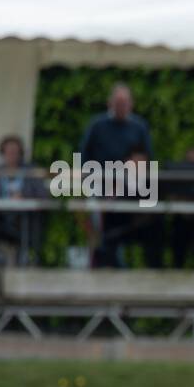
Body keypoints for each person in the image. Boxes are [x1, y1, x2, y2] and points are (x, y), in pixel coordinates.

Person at [78, 83, 153, 267]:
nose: (121, 107)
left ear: (131, 104)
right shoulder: (97, 126)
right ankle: (101, 260)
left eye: (125, 102)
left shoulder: (139, 127)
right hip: (100, 188)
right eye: (118, 102)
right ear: (109, 103)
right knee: (96, 221)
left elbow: (145, 160)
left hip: (130, 190)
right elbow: (85, 159)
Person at [0, 134, 49, 265]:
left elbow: (44, 195)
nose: (12, 155)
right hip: (1, 218)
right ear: (2, 153)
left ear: (20, 153)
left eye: (15, 152)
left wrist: (25, 198)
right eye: (8, 152)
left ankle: (29, 257)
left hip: (24, 219)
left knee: (35, 221)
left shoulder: (31, 171)